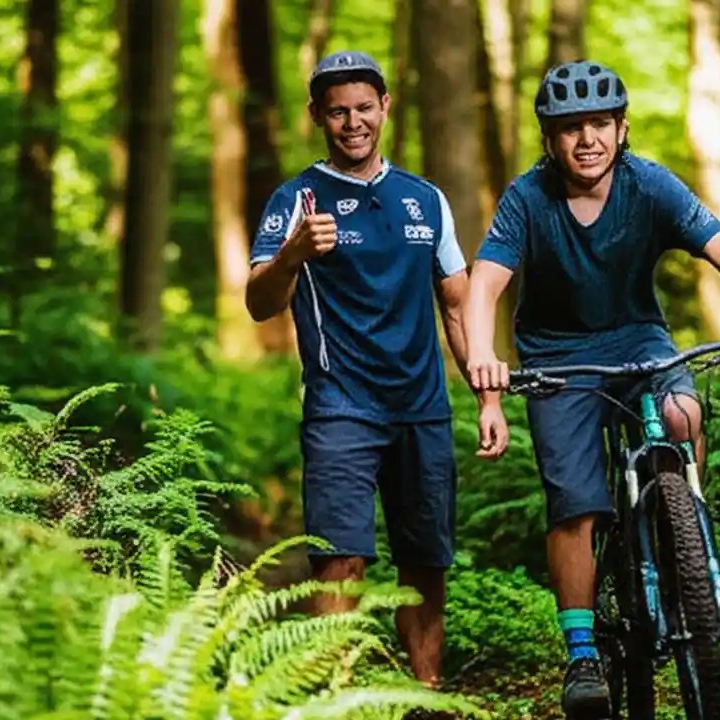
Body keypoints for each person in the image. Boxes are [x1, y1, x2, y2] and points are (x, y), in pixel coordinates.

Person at [463, 60, 720, 717]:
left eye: (599, 124)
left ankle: (685, 538)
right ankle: (582, 653)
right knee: (576, 502)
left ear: (622, 130)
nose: (586, 139)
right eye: (569, 128)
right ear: (549, 139)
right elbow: (485, 282)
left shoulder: (650, 186)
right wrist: (483, 358)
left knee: (681, 415)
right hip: (558, 358)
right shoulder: (527, 199)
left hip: (641, 342)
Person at [245, 49, 506, 688]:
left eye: (364, 108)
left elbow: (455, 302)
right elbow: (258, 302)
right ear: (317, 116)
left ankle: (427, 692)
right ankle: (337, 693)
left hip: (422, 407)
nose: (353, 123)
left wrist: (486, 398)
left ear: (385, 107)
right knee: (340, 560)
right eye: (338, 112)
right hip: (340, 407)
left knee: (426, 562)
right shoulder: (294, 199)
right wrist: (292, 254)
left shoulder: (426, 199)